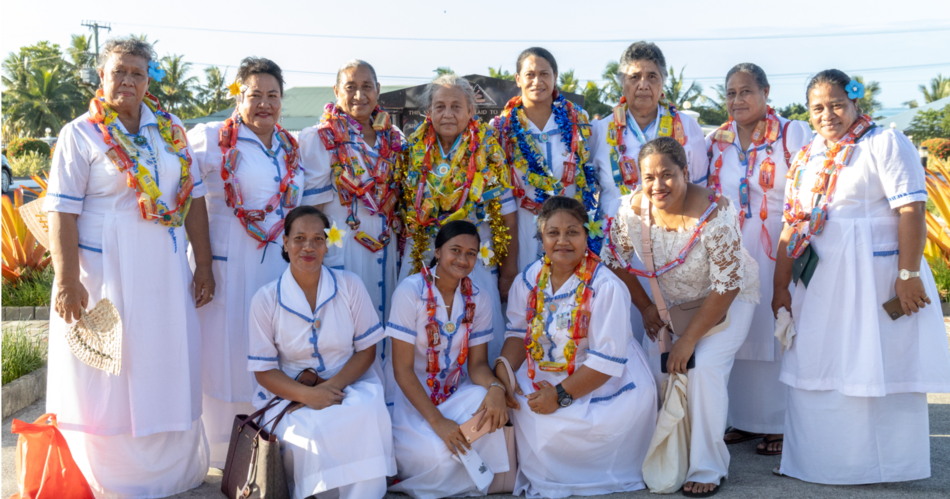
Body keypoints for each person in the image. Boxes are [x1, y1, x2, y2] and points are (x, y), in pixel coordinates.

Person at [45, 36, 212, 497]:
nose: (128, 81)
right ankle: (112, 476)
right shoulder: (79, 133)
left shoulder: (172, 129)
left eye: (138, 72)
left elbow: (194, 200)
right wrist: (66, 279)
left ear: (148, 79)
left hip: (163, 268)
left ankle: (172, 468)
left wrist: (204, 266)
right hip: (103, 273)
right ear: (102, 76)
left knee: (163, 358)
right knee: (109, 368)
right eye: (119, 71)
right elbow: (62, 212)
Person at [772, 69, 950, 484]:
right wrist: (781, 286)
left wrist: (907, 274)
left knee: (875, 362)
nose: (828, 114)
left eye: (837, 104)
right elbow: (790, 225)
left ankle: (881, 465)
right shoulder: (806, 155)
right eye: (818, 107)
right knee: (819, 360)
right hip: (818, 283)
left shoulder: (884, 142)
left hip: (875, 276)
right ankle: (820, 462)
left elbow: (911, 209)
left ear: (855, 103)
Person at [187, 57, 326, 468]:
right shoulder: (212, 138)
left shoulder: (290, 145)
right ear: (238, 96)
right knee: (226, 351)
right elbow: (185, 193)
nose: (264, 104)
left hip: (278, 267)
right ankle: (221, 449)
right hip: (228, 265)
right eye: (254, 95)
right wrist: (205, 264)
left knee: (274, 346)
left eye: (273, 96)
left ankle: (271, 446)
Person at [602, 137, 760, 497]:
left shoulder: (715, 212)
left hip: (728, 299)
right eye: (649, 177)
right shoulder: (630, 211)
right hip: (668, 305)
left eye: (667, 175)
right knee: (655, 371)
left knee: (702, 369)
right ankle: (666, 455)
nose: (658, 185)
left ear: (686, 172)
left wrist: (687, 342)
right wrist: (644, 307)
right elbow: (614, 260)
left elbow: (728, 285)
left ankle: (708, 465)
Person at [496, 196, 657, 498]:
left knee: (561, 426)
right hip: (542, 370)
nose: (562, 241)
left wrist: (558, 396)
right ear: (541, 238)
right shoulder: (528, 280)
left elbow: (607, 363)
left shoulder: (605, 285)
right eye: (552, 233)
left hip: (603, 381)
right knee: (514, 404)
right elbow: (518, 334)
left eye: (572, 232)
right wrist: (502, 372)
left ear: (587, 235)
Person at [247, 206, 395, 499]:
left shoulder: (350, 285)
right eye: (299, 238)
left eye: (318, 238)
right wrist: (308, 396)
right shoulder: (265, 299)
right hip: (290, 395)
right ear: (285, 243)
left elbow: (366, 351)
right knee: (310, 432)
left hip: (349, 384)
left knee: (362, 413)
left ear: (328, 244)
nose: (308, 247)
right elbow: (264, 370)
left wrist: (328, 390)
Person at [704, 63, 813, 456]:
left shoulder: (792, 132)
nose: (738, 100)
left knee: (775, 324)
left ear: (766, 92)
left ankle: (780, 423)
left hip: (778, 243)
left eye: (746, 91)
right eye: (731, 93)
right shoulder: (716, 140)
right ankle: (745, 420)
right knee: (734, 329)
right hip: (731, 245)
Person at [592, 41, 710, 346]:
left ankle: (671, 391)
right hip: (619, 246)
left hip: (675, 242)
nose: (643, 85)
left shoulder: (687, 126)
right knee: (619, 329)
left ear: (663, 83)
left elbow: (699, 183)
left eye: (652, 76)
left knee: (670, 334)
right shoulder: (601, 130)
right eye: (634, 77)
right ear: (621, 83)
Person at [398, 74, 519, 361]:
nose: (448, 114)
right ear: (429, 112)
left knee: (473, 328)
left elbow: (508, 214)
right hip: (424, 255)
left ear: (470, 111)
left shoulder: (488, 149)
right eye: (439, 106)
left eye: (456, 106)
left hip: (473, 258)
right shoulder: (413, 148)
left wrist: (508, 271)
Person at [387, 220, 510, 498]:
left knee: (488, 404)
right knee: (436, 457)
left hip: (454, 394)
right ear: (438, 251)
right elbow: (402, 371)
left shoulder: (479, 298)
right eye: (455, 250)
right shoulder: (410, 292)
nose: (463, 259)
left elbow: (477, 365)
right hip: (411, 401)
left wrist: (495, 388)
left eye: (471, 253)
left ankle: (465, 465)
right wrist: (438, 422)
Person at [493, 47, 602, 271]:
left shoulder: (577, 120)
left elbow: (589, 169)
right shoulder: (500, 128)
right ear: (518, 79)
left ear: (555, 77)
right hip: (522, 227)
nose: (537, 81)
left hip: (569, 229)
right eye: (530, 74)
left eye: (544, 74)